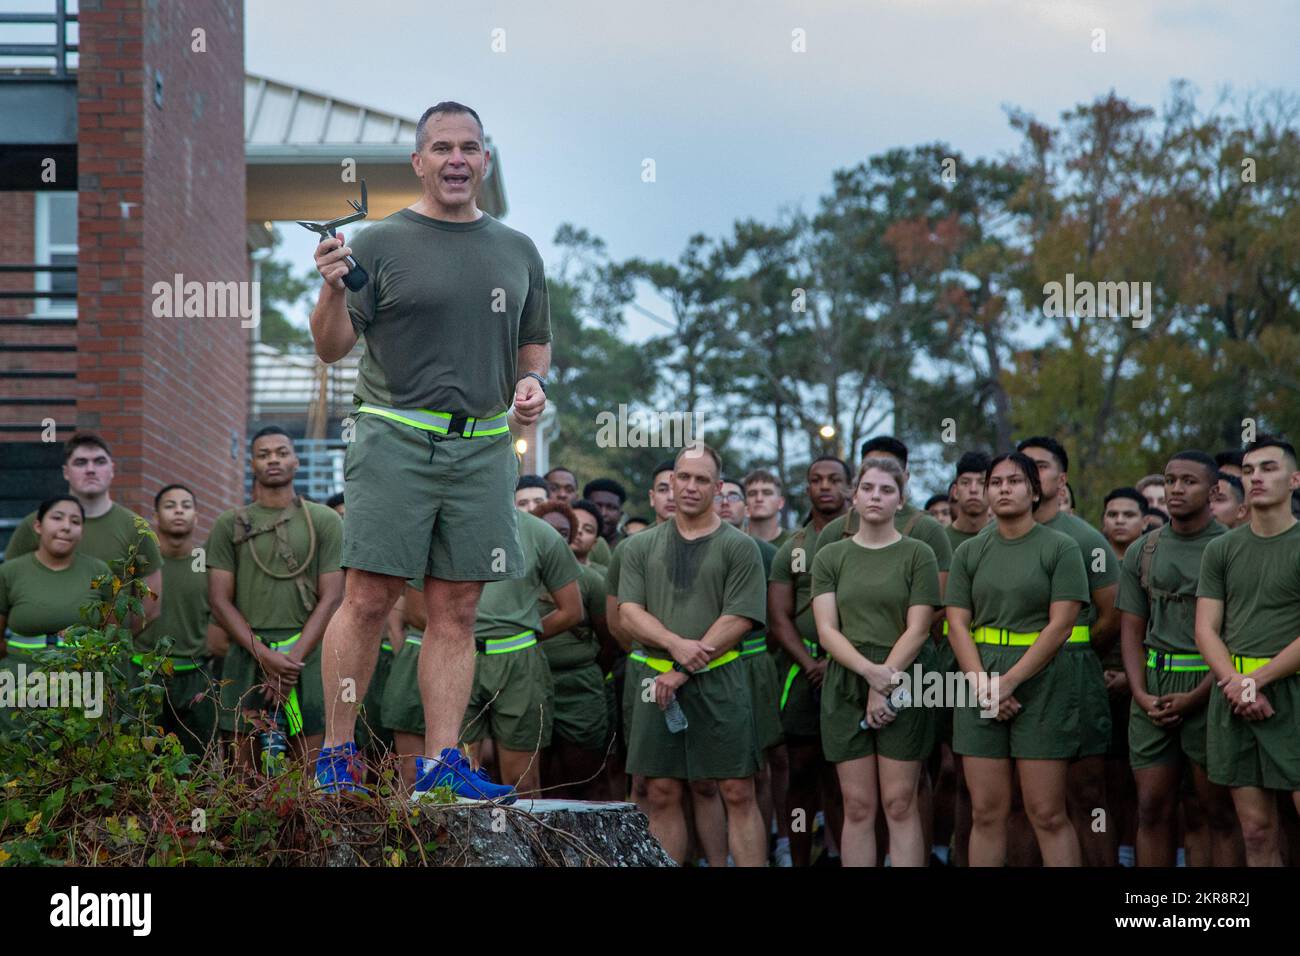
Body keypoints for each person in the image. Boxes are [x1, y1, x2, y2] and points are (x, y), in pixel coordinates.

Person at [308, 100, 550, 799]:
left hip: (483, 446)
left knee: (459, 608)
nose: (455, 159)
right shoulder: (379, 243)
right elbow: (330, 348)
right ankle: (337, 760)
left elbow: (535, 338)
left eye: (469, 147)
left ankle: (443, 768)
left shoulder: (518, 248)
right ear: (418, 162)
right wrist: (329, 290)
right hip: (393, 435)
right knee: (370, 596)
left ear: (485, 161)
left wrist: (530, 380)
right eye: (441, 147)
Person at [618, 443, 769, 866]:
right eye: (682, 477)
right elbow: (628, 612)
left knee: (737, 790)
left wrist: (683, 666)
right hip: (656, 678)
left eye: (702, 479)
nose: (689, 486)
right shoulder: (639, 547)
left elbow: (739, 617)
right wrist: (674, 645)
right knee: (661, 790)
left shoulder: (740, 547)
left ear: (718, 488)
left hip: (720, 678)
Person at [946, 452, 1089, 866]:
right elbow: (957, 624)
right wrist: (982, 685)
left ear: (1034, 490)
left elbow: (1062, 624)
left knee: (1046, 812)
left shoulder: (1061, 548)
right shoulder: (969, 552)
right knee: (986, 813)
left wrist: (1008, 682)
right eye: (996, 482)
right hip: (978, 678)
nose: (1004, 489)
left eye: (1015, 481)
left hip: (1041, 678)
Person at [386, 506, 582, 794]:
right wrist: (458, 637)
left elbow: (571, 610)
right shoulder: (439, 532)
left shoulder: (541, 533)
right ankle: (464, 839)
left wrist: (521, 633)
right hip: (456, 659)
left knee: (523, 780)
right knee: (458, 771)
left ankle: (522, 839)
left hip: (518, 662)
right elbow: (416, 612)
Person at [812, 456, 941, 866]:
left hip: (904, 676)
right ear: (855, 495)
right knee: (857, 806)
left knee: (900, 802)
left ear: (900, 500)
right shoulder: (830, 556)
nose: (876, 496)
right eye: (868, 488)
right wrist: (869, 675)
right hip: (847, 677)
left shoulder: (918, 554)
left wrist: (883, 681)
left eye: (887, 490)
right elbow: (827, 631)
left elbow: (919, 628)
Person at [1117, 452, 1242, 867]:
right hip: (1153, 692)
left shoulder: (1231, 548)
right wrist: (1139, 693)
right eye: (1170, 480)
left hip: (1213, 691)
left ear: (1213, 491)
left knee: (1217, 811)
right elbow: (1132, 629)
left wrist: (1200, 696)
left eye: (1188, 481)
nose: (1175, 489)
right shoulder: (1144, 549)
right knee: (1151, 809)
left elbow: (1236, 638)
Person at [206, 427, 344, 773]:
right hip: (246, 651)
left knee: (311, 772)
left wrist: (290, 663)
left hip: (307, 657)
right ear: (251, 463)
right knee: (241, 775)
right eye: (264, 454)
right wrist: (265, 656)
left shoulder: (324, 521)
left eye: (281, 452)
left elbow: (333, 597)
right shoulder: (229, 524)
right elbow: (220, 601)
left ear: (296, 461)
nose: (273, 460)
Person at [1195, 436, 1300, 866]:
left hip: (1289, 692)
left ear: (1295, 479)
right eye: (1250, 470)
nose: (1256, 477)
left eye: (1269, 468)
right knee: (1255, 832)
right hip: (1234, 697)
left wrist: (1257, 682)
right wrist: (1236, 684)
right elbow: (1205, 628)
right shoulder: (1221, 548)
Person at [1016, 436, 1119, 867]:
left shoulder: (1087, 540)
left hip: (1073, 679)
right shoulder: (994, 537)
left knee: (1088, 793)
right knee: (1018, 801)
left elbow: (1111, 614)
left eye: (1041, 466)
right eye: (1024, 466)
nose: (1031, 474)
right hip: (1009, 683)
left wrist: (1074, 648)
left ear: (1062, 479)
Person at [768, 455, 852, 866]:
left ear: (849, 487)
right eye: (816, 480)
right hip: (805, 673)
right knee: (801, 773)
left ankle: (841, 855)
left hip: (853, 671)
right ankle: (798, 857)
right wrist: (808, 663)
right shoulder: (794, 547)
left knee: (845, 777)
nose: (825, 486)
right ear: (807, 488)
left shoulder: (862, 539)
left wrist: (840, 661)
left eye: (834, 479)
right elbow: (779, 616)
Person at [5, 432, 162, 626]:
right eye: (80, 462)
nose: (90, 469)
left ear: (112, 469)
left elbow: (151, 604)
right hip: (37, 653)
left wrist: (111, 647)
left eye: (99, 461)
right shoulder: (35, 523)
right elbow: (7, 588)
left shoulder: (136, 528)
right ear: (65, 472)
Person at [0, 496, 112, 734]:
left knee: (83, 756)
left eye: (75, 521)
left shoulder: (99, 572)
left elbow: (110, 632)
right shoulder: (10, 572)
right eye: (57, 518)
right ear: (38, 526)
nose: (66, 527)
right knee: (21, 753)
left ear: (81, 531)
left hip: (83, 679)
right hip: (20, 678)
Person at [718, 477, 786, 864]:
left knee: (759, 765)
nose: (726, 503)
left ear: (746, 508)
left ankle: (768, 843)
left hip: (754, 664)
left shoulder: (765, 551)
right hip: (707, 665)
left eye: (735, 497)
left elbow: (778, 619)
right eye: (720, 496)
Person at [131, 485, 225, 757]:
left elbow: (221, 611)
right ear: (156, 516)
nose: (179, 510)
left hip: (196, 677)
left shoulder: (205, 562)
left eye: (186, 505)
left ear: (196, 516)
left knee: (196, 767)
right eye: (170, 506)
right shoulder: (142, 562)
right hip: (145, 674)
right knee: (143, 763)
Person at [534, 500, 612, 799]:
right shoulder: (519, 578)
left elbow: (609, 639)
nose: (556, 537)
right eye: (549, 530)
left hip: (581, 685)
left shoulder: (589, 580)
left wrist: (586, 668)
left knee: (583, 773)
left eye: (564, 532)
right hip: (531, 681)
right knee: (536, 771)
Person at [936, 450, 991, 865]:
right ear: (955, 491)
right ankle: (945, 849)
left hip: (993, 666)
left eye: (983, 483)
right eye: (967, 483)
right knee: (947, 770)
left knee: (981, 780)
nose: (975, 491)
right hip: (939, 665)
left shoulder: (1003, 537)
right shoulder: (937, 541)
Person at [584, 477, 628, 568]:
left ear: (621, 514)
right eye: (597, 506)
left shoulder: (632, 546)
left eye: (611, 507)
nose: (603, 513)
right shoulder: (572, 544)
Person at [743, 469, 790, 546]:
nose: (759, 499)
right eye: (752, 494)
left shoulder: (796, 544)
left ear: (780, 502)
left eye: (767, 493)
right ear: (745, 503)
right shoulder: (732, 542)